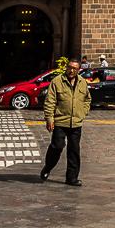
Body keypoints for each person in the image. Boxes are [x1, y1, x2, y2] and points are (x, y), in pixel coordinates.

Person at [41, 57, 91, 186]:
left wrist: (83, 112)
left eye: (74, 68)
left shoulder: (82, 82)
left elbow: (87, 99)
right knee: (57, 147)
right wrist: (49, 119)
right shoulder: (57, 81)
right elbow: (50, 101)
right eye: (69, 67)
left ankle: (72, 178)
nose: (71, 70)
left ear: (79, 70)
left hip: (76, 123)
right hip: (60, 122)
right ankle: (48, 167)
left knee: (74, 150)